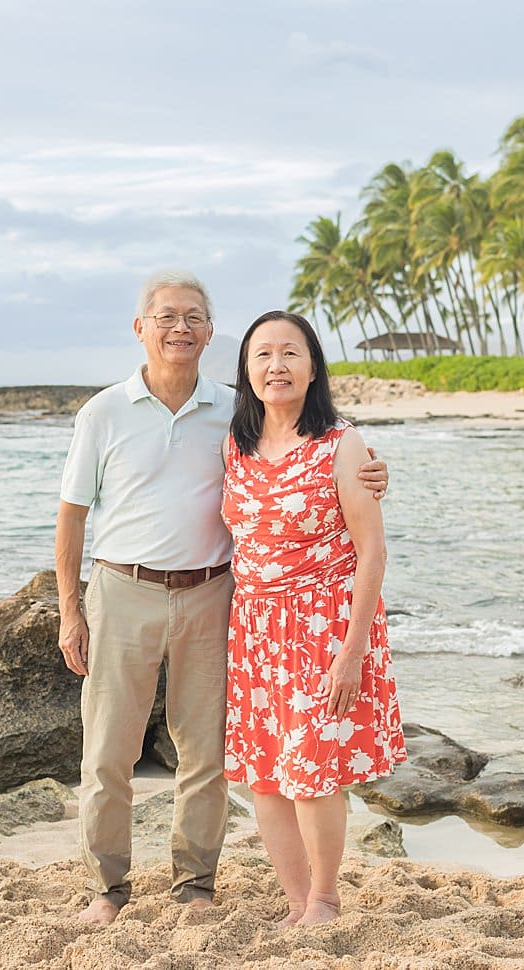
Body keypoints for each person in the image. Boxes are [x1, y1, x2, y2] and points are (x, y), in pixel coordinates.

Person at [54, 272, 388, 925]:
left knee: (205, 753)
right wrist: (71, 610)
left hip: (215, 594)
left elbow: (315, 454)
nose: (179, 327)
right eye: (166, 316)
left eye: (193, 317)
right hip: (123, 591)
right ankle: (107, 888)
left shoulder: (235, 412)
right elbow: (70, 517)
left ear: (210, 333)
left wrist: (373, 472)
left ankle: (195, 885)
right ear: (140, 328)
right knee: (108, 752)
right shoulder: (102, 413)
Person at [221, 310, 406, 927]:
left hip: (323, 629)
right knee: (265, 773)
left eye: (289, 353)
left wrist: (351, 652)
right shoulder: (234, 444)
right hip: (253, 631)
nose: (276, 365)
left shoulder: (341, 443)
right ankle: (297, 904)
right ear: (247, 372)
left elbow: (372, 550)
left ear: (313, 365)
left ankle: (325, 900)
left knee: (314, 769)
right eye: (262, 355)